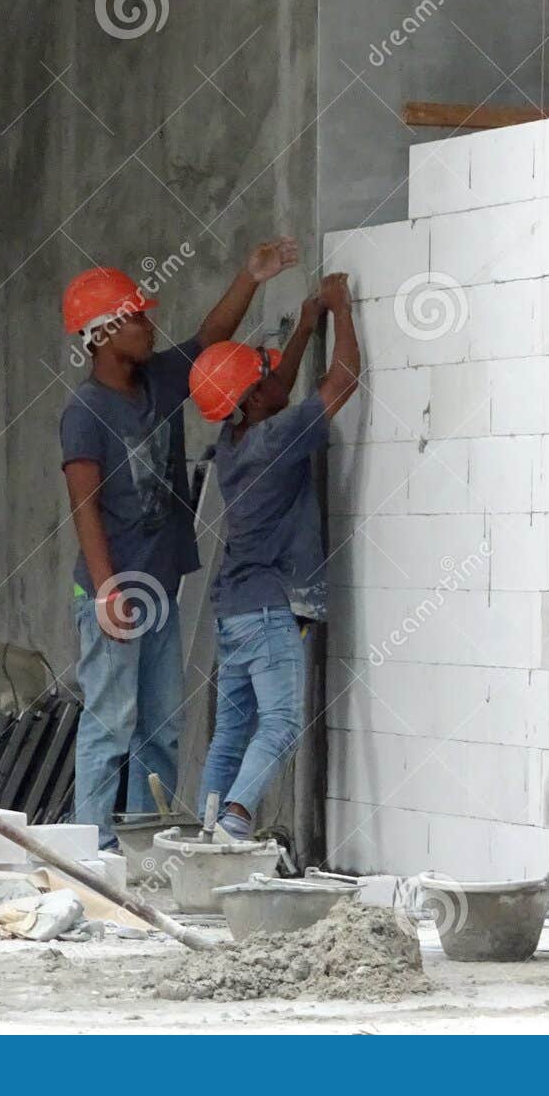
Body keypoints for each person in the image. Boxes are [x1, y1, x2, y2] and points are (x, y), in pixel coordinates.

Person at [59, 239, 298, 851]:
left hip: (161, 584)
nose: (148, 324)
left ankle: (146, 846)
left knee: (161, 728)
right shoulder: (86, 410)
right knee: (110, 726)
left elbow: (206, 342)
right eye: (136, 317)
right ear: (106, 332)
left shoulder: (159, 382)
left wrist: (251, 276)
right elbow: (84, 505)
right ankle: (93, 851)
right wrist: (107, 586)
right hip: (116, 591)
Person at [187, 272, 360, 839]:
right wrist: (341, 310)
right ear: (254, 399)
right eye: (262, 373)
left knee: (231, 733)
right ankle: (235, 822)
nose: (273, 373)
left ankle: (205, 834)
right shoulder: (275, 437)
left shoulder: (238, 440)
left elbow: (269, 386)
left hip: (235, 611)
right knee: (282, 722)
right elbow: (344, 381)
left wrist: (307, 326)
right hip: (269, 610)